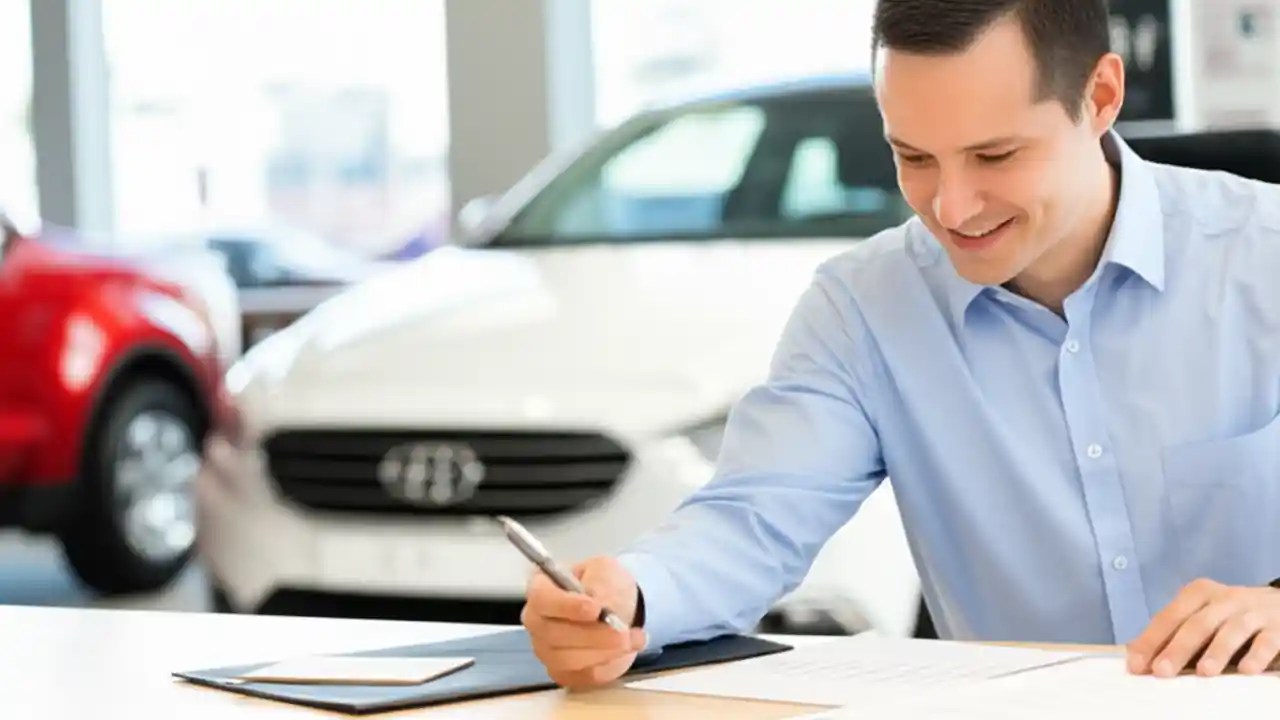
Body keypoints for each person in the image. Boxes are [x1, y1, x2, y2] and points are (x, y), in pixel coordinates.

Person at [521, 0, 1280, 689]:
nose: (950, 207)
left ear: (1101, 98)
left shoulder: (1263, 256)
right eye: (913, 157)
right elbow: (756, 517)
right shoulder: (863, 307)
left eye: (994, 156)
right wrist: (633, 595)